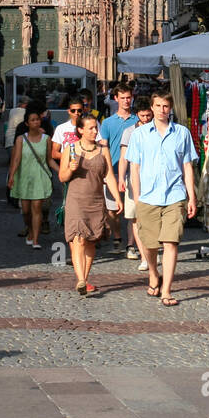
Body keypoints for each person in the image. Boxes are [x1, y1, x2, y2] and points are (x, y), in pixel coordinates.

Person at [126, 89, 197, 306]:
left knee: (171, 242)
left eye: (165, 106)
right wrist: (137, 198)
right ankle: (154, 274)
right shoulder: (139, 135)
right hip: (147, 196)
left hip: (175, 195)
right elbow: (134, 168)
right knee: (149, 245)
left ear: (170, 108)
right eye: (157, 106)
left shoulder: (182, 133)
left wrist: (191, 197)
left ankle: (166, 290)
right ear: (151, 107)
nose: (161, 110)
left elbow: (187, 166)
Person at [60, 111, 122, 295]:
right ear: (80, 130)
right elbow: (62, 176)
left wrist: (117, 198)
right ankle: (80, 279)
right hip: (76, 200)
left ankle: (84, 279)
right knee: (78, 239)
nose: (95, 131)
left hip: (96, 200)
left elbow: (109, 175)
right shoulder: (70, 149)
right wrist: (70, 170)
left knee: (90, 242)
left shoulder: (103, 150)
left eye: (96, 127)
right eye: (91, 128)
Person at [98, 86, 139, 257]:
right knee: (112, 209)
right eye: (123, 98)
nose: (126, 101)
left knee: (132, 210)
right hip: (112, 169)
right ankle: (117, 237)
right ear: (116, 98)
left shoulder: (138, 120)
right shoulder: (107, 122)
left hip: (133, 171)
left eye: (128, 97)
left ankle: (131, 244)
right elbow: (103, 147)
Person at [8, 108, 53, 249]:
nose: (36, 122)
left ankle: (35, 239)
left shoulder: (47, 139)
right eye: (32, 120)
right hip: (24, 177)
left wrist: (61, 172)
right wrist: (11, 176)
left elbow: (50, 160)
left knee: (37, 208)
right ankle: (30, 229)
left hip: (40, 176)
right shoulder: (21, 139)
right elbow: (16, 160)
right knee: (26, 211)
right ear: (27, 123)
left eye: (37, 119)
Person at [117, 97, 152, 273]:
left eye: (148, 115)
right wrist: (121, 178)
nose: (145, 119)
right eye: (142, 116)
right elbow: (124, 157)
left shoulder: (157, 130)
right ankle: (144, 256)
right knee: (135, 219)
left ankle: (151, 251)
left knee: (152, 219)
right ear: (137, 115)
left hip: (152, 180)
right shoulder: (129, 132)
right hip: (134, 179)